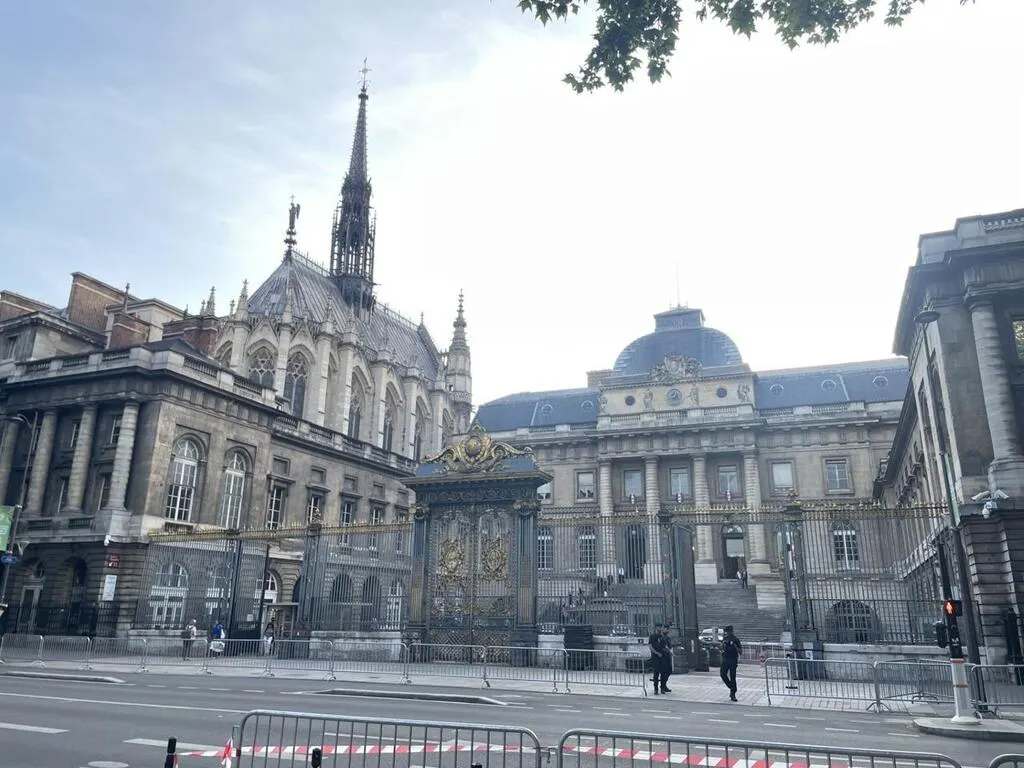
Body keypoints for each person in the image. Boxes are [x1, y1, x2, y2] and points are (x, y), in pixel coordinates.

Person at [720, 624, 742, 701]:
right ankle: (732, 687)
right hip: (725, 659)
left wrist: (735, 647)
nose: (728, 633)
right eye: (727, 632)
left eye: (729, 631)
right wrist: (722, 646)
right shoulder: (725, 639)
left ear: (731, 631)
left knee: (733, 677)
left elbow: (740, 652)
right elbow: (722, 648)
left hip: (733, 659)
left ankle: (733, 694)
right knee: (722, 674)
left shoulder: (736, 639)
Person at [648, 623, 671, 694]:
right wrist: (657, 653)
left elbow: (665, 646)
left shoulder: (663, 637)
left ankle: (662, 687)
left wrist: (669, 652)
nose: (660, 628)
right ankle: (656, 689)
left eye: (660, 627)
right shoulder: (652, 636)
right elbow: (650, 647)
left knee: (663, 673)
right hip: (656, 657)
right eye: (658, 627)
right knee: (656, 673)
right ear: (655, 628)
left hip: (663, 657)